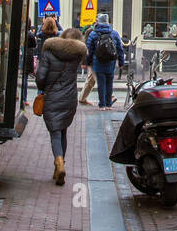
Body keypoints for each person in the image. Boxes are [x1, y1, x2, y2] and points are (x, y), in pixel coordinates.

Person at [35, 27, 88, 186]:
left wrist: (42, 87)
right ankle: (60, 165)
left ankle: (59, 163)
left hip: (52, 97)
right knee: (63, 129)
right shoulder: (77, 56)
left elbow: (40, 77)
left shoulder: (49, 52)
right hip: (69, 97)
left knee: (55, 132)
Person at [86, 13, 125, 109]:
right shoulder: (114, 33)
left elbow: (89, 49)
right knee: (109, 83)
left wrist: (88, 61)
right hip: (111, 62)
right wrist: (121, 62)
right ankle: (109, 104)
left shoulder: (93, 34)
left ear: (98, 22)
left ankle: (102, 105)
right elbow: (120, 49)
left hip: (98, 61)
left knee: (101, 84)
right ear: (108, 22)